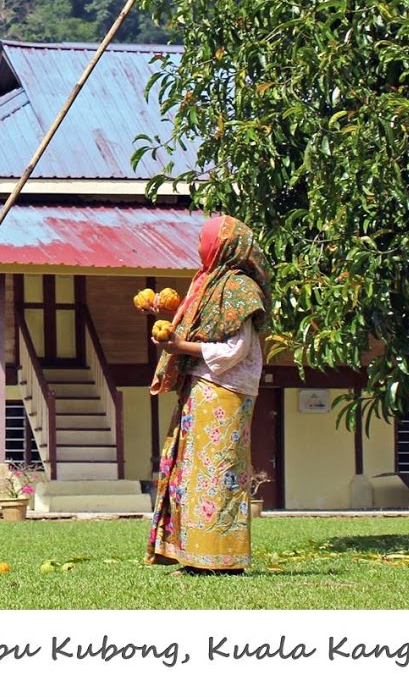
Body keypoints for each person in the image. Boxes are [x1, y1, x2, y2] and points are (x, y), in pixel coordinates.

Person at [147, 213, 271, 573]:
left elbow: (235, 351)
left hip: (225, 390)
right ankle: (192, 555)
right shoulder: (207, 283)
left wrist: (180, 347)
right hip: (200, 386)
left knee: (217, 471)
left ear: (223, 246)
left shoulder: (240, 289)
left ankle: (220, 559)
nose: (199, 245)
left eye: (205, 239)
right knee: (191, 471)